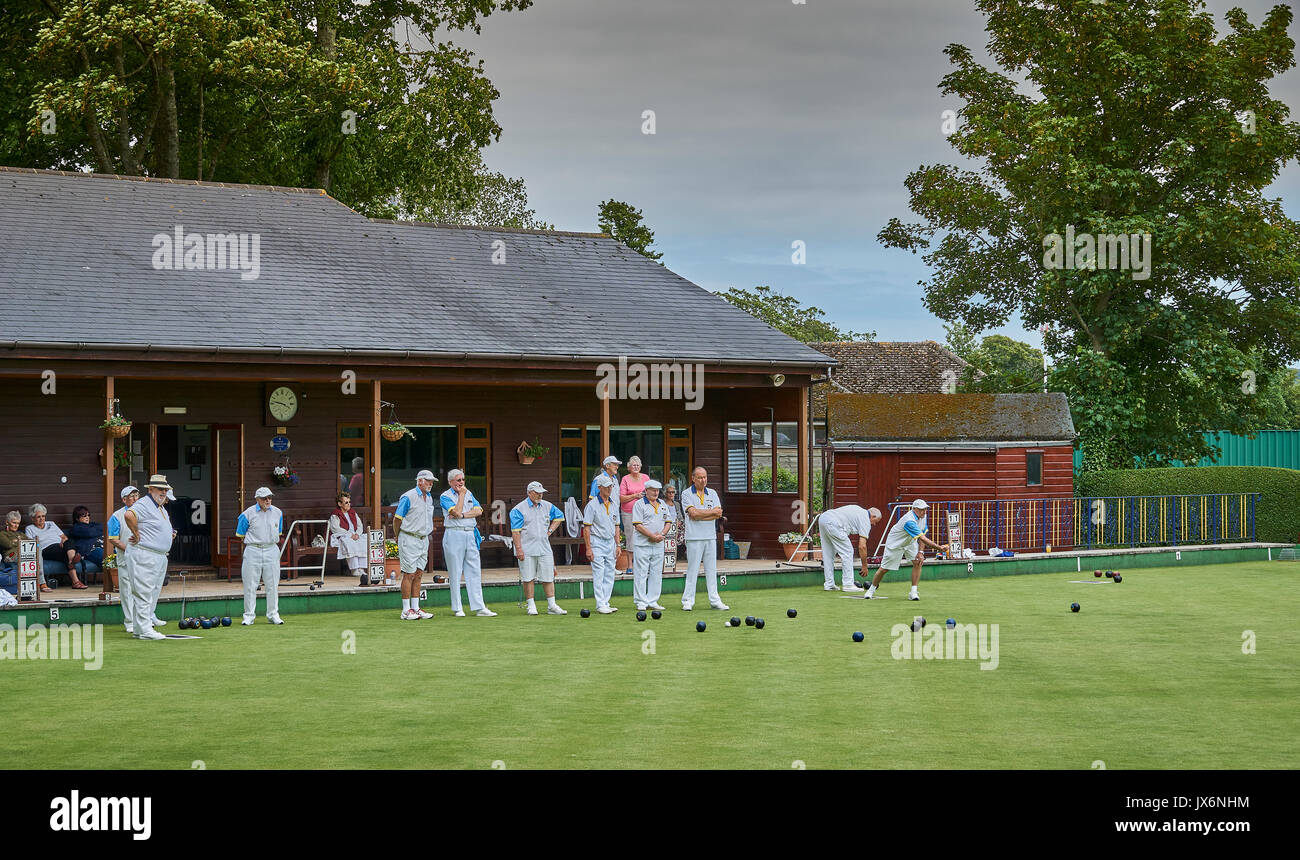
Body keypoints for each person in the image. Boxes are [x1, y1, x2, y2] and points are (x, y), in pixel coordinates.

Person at [123, 475, 174, 640]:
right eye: (160, 489)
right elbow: (129, 515)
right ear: (150, 489)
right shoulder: (144, 503)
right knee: (143, 592)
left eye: (165, 489)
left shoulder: (159, 507)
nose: (164, 492)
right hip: (145, 553)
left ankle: (139, 629)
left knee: (149, 592)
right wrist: (136, 533)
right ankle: (145, 629)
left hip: (157, 555)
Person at [865, 499, 944, 601]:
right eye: (921, 509)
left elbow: (922, 534)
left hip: (910, 542)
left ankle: (913, 592)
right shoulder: (909, 521)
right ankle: (871, 590)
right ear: (914, 509)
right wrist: (940, 548)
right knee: (884, 569)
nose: (924, 512)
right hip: (895, 543)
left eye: (925, 509)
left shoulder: (923, 517)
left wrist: (921, 552)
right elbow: (922, 538)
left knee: (918, 562)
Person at [441, 468, 495, 617]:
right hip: (454, 534)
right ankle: (457, 608)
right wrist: (461, 496)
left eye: (463, 480)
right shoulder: (445, 496)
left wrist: (463, 515)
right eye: (458, 480)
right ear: (451, 482)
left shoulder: (469, 493)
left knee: (474, 570)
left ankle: (479, 607)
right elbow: (455, 512)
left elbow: (479, 511)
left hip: (470, 533)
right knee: (455, 571)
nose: (462, 483)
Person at [509, 481, 567, 616]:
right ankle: (531, 605)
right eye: (537, 492)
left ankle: (552, 605)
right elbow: (515, 532)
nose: (540, 495)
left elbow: (559, 517)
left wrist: (550, 531)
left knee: (548, 576)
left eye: (541, 492)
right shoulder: (518, 509)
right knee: (528, 577)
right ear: (529, 492)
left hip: (544, 546)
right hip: (526, 547)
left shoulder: (547, 506)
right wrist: (519, 549)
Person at [235, 487, 286, 625]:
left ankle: (273, 614)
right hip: (253, 549)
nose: (267, 500)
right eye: (264, 498)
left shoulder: (278, 512)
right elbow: (240, 534)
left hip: (271, 548)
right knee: (250, 585)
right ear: (257, 499)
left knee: (273, 584)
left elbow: (279, 532)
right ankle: (249, 615)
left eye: (269, 497)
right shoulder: (247, 514)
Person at [681, 467, 728, 611]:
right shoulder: (686, 493)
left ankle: (715, 600)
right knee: (692, 569)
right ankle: (688, 600)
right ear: (693, 478)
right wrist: (710, 513)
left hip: (710, 536)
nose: (703, 480)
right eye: (700, 478)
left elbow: (718, 514)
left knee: (711, 569)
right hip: (694, 537)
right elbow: (693, 514)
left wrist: (704, 514)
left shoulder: (712, 493)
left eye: (705, 477)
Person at [393, 470, 437, 620]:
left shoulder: (429, 498)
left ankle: (416, 608)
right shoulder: (408, 496)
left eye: (432, 481)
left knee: (418, 574)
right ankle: (406, 610)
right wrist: (397, 535)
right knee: (409, 574)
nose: (431, 483)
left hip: (423, 539)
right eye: (428, 480)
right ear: (420, 481)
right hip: (408, 538)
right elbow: (397, 519)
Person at [107, 486, 147, 634]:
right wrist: (130, 550)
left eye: (137, 495)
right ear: (124, 500)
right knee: (127, 591)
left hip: (143, 559)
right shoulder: (116, 516)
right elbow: (114, 540)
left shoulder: (145, 514)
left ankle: (143, 620)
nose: (136, 498)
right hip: (125, 559)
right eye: (132, 496)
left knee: (142, 590)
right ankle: (129, 622)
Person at [817, 505, 882, 593]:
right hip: (833, 523)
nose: (874, 524)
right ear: (873, 516)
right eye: (875, 522)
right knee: (848, 551)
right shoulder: (865, 519)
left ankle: (829, 584)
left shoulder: (858, 509)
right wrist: (864, 566)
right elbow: (862, 546)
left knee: (828, 553)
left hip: (823, 518)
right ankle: (848, 584)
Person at [582, 473, 621, 614]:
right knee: (599, 572)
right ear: (599, 487)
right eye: (606, 487)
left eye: (610, 486)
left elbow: (616, 526)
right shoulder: (591, 505)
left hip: (610, 541)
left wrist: (618, 545)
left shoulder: (614, 504)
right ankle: (600, 604)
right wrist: (588, 548)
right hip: (596, 541)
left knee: (610, 572)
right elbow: (586, 528)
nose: (609, 489)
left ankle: (606, 601)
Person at [630, 479, 671, 611]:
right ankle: (641, 601)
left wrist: (662, 535)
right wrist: (652, 536)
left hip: (658, 543)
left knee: (656, 573)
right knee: (641, 573)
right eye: (653, 490)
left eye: (657, 490)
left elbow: (668, 522)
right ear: (646, 490)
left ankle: (653, 600)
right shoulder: (639, 504)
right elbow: (637, 525)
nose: (655, 492)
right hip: (642, 544)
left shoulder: (663, 504)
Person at [25, 503, 87, 589]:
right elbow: (31, 544)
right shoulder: (30, 528)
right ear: (32, 518)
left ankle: (72, 561)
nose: (41, 519)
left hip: (60, 546)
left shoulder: (51, 524)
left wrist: (63, 540)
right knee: (65, 553)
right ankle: (74, 569)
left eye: (43, 516)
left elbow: (64, 537)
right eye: (38, 517)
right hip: (46, 549)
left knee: (69, 541)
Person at [328, 491, 368, 579]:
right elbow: (335, 528)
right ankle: (354, 568)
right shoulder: (335, 514)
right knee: (349, 542)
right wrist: (350, 535)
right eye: (346, 502)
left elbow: (359, 525)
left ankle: (361, 567)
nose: (349, 504)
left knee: (364, 540)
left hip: (354, 534)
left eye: (349, 502)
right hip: (342, 535)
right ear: (339, 504)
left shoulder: (352, 512)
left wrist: (357, 534)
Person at [66, 506, 105, 582]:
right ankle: (115, 581)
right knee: (106, 558)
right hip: (90, 550)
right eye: (84, 516)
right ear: (77, 518)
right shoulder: (75, 528)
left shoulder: (92, 525)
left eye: (88, 515)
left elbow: (104, 528)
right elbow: (89, 533)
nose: (87, 517)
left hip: (104, 547)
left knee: (119, 557)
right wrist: (94, 532)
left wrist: (93, 531)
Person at [0, 510, 37, 589]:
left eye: (18, 523)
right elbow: (8, 544)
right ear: (7, 522)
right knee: (24, 555)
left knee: (36, 550)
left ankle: (39, 583)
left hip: (23, 554)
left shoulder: (20, 534)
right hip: (10, 556)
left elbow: (32, 543)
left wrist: (16, 542)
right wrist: (21, 542)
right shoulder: (2, 534)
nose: (16, 525)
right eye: (14, 523)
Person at [618, 455, 650, 544]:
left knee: (645, 536)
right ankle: (630, 558)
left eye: (637, 465)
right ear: (629, 467)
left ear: (640, 467)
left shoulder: (646, 478)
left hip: (645, 512)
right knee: (631, 537)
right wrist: (635, 496)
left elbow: (651, 493)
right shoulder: (625, 479)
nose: (636, 467)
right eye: (633, 465)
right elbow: (621, 498)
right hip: (629, 512)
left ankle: (642, 557)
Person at [662, 483, 683, 574]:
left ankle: (674, 568)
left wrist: (679, 521)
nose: (671, 494)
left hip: (675, 529)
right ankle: (662, 568)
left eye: (673, 492)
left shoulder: (676, 504)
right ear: (665, 493)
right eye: (669, 492)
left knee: (673, 549)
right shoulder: (661, 503)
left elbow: (681, 517)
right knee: (664, 549)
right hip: (665, 528)